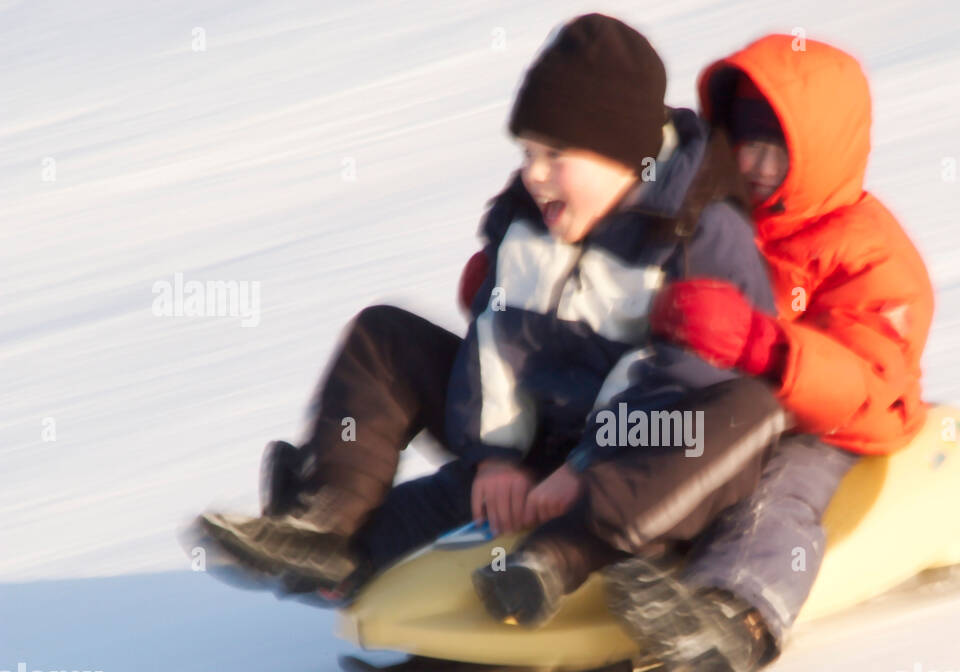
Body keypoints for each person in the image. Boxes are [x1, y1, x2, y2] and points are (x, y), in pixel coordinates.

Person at [192, 15, 780, 611]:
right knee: (384, 335)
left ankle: (560, 558)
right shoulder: (528, 218)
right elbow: (496, 339)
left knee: (745, 409)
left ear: (623, 155)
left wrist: (584, 467)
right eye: (528, 151)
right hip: (537, 448)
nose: (533, 173)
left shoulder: (699, 234)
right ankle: (327, 527)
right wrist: (494, 461)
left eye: (556, 154)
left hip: (640, 466)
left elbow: (683, 378)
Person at [599, 34, 936, 672]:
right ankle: (584, 566)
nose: (752, 163)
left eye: (774, 150)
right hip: (713, 407)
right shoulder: (711, 219)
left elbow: (873, 384)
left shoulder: (870, 256)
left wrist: (769, 350)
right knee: (620, 439)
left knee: (775, 496)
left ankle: (736, 618)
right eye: (741, 142)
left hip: (819, 426)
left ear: (819, 154)